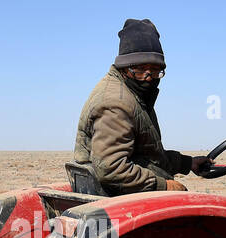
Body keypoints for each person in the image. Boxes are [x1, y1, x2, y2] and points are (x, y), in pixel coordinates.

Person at [74, 18, 210, 194]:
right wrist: (164, 186)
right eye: (140, 69)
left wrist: (187, 163)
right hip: (119, 199)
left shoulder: (135, 96)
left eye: (155, 70)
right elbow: (111, 168)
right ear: (125, 67)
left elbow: (149, 157)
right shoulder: (117, 103)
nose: (149, 77)